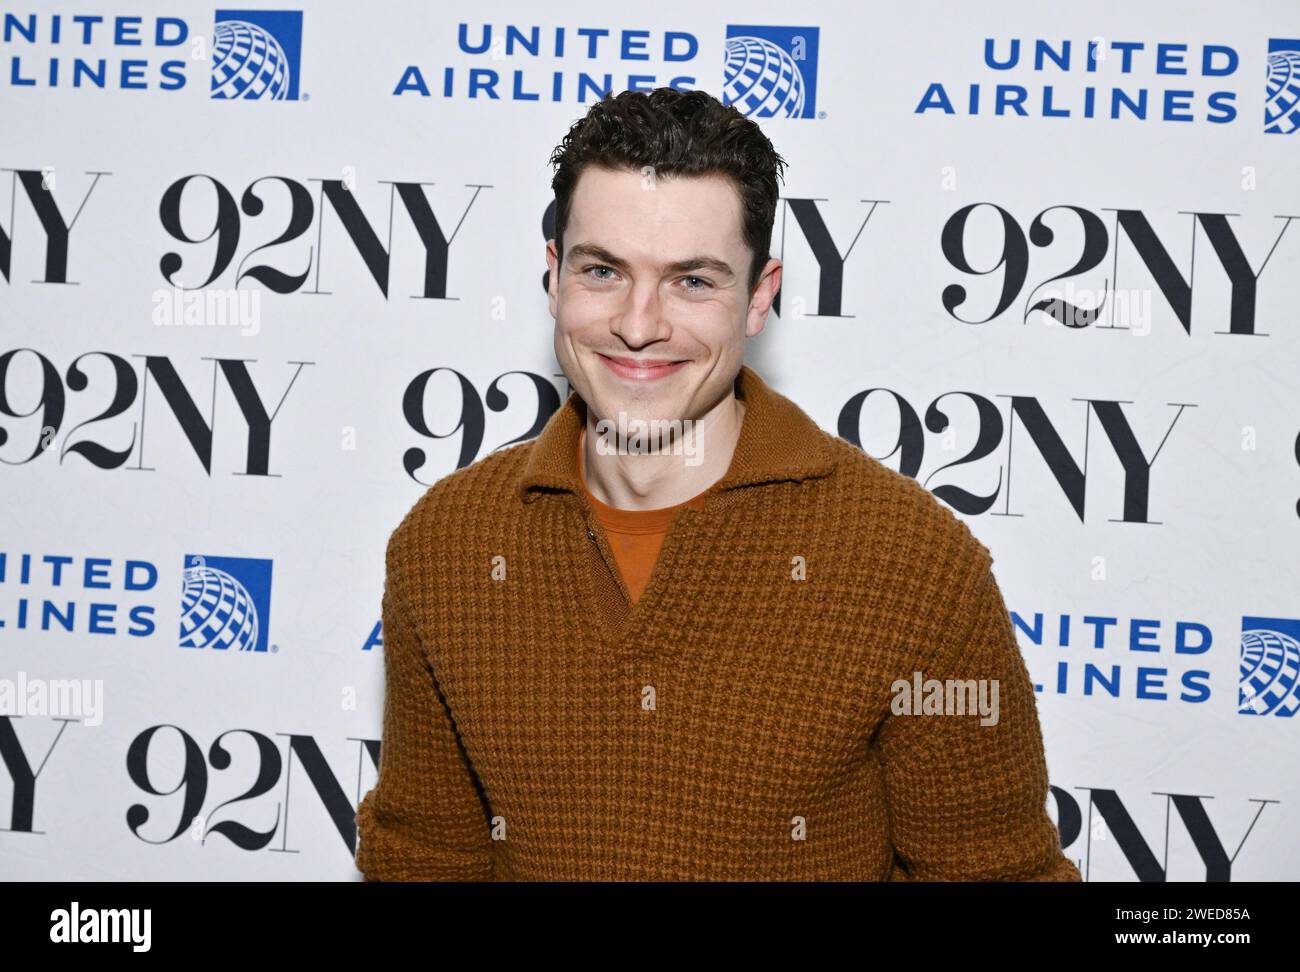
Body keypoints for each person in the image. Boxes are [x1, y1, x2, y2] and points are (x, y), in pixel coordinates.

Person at [355, 87, 1080, 881]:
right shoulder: (446, 545)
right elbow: (426, 860)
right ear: (555, 276)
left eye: (692, 282)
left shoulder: (913, 567)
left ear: (760, 295)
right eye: (603, 271)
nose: (639, 324)